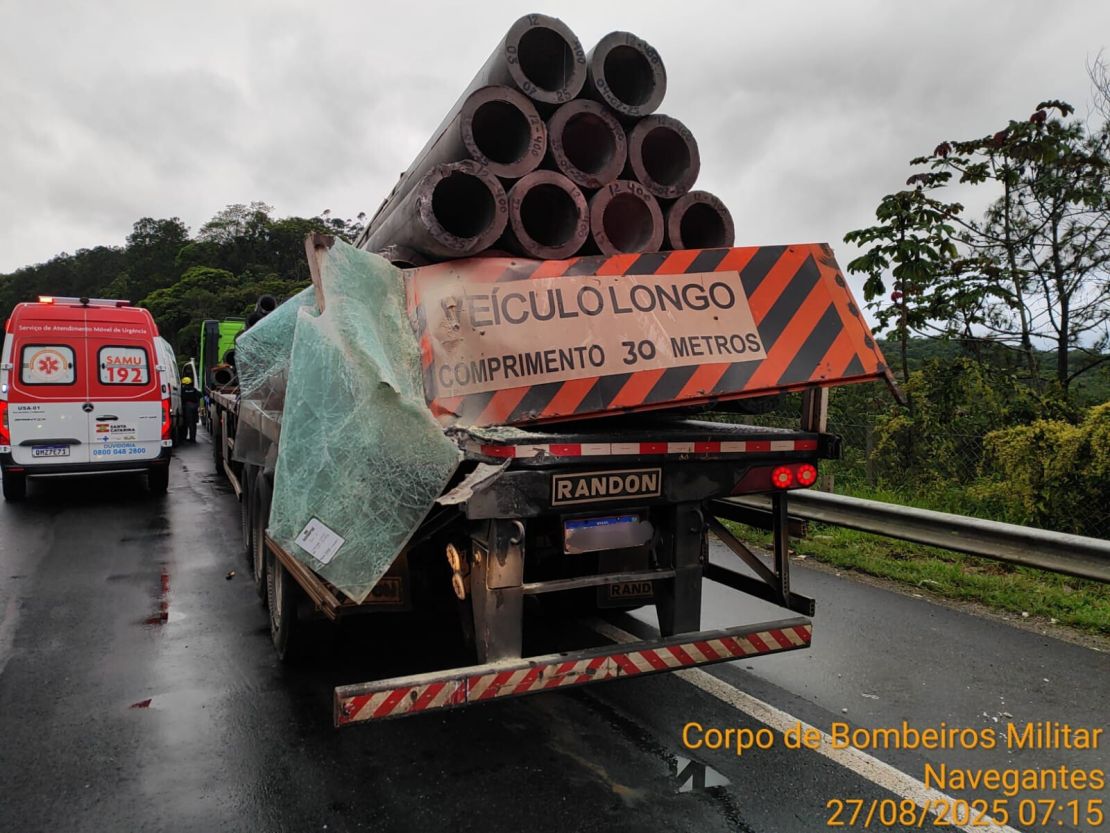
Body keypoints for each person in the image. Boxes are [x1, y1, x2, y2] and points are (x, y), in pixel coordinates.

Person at [180, 377, 201, 442]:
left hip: (187, 408)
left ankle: (183, 438)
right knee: (193, 424)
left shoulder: (182, 390)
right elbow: (200, 395)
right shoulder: (194, 390)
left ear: (184, 384)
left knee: (185, 423)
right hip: (194, 408)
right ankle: (193, 438)